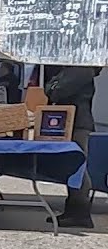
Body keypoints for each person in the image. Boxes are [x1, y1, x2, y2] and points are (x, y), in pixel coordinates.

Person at [45, 65, 100, 228]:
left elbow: (56, 91)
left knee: (78, 167)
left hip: (77, 123)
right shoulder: (80, 69)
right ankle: (73, 210)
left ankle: (80, 213)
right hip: (71, 121)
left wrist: (52, 84)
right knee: (73, 166)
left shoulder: (81, 68)